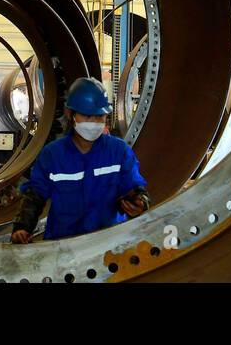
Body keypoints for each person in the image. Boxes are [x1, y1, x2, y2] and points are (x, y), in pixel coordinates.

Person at [10, 77, 149, 243]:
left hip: (109, 243)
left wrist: (140, 202)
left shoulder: (119, 152)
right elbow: (34, 196)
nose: (95, 122)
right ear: (70, 114)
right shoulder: (53, 155)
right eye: (88, 116)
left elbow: (134, 187)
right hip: (62, 244)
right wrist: (22, 227)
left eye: (100, 116)